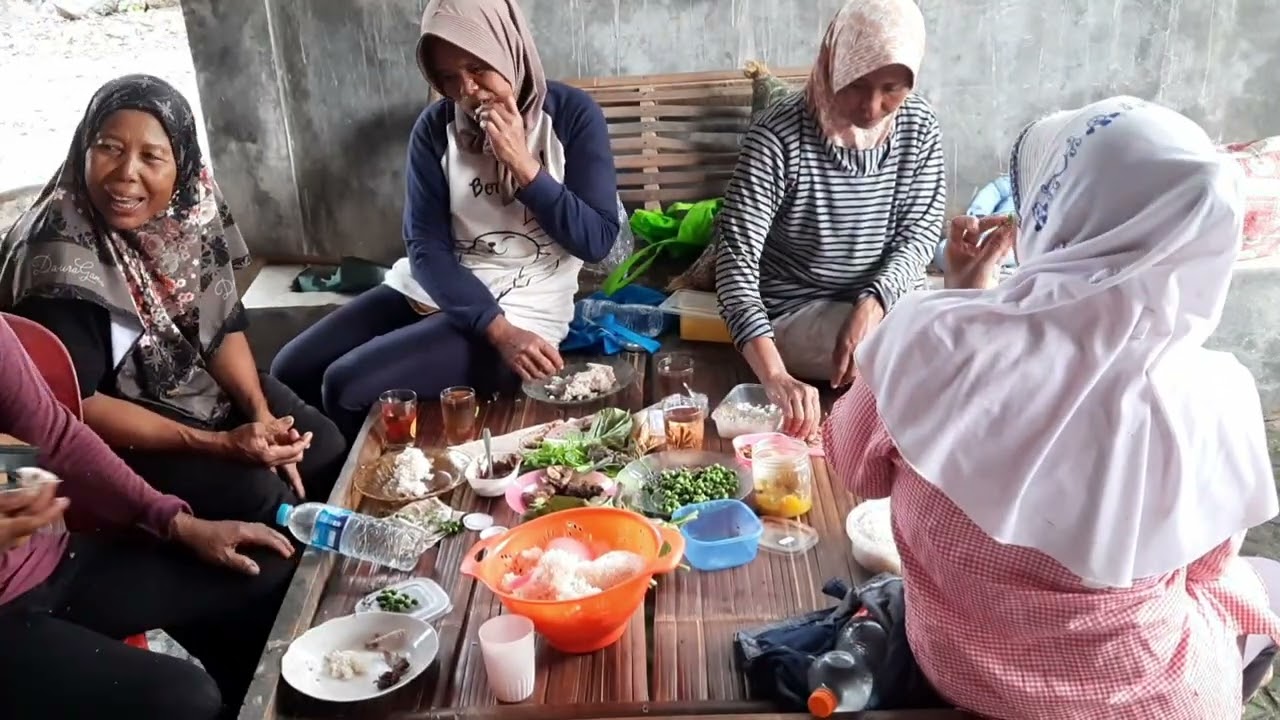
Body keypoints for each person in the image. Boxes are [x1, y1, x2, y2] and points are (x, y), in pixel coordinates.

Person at [824, 96, 1280, 718]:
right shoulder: (1215, 395)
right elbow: (1205, 567)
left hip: (966, 676)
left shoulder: (927, 338)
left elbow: (855, 465)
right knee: (1259, 586)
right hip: (1154, 699)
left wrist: (961, 296)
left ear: (1061, 210)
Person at [0, 75, 345, 526]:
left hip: (184, 381)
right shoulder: (58, 259)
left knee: (323, 447)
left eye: (152, 157)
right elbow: (74, 407)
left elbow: (219, 328)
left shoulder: (186, 215)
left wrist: (262, 415)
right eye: (108, 147)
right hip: (105, 429)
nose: (126, 173)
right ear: (83, 148)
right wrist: (220, 444)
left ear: (181, 166)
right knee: (261, 497)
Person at [270, 0, 620, 439]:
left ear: (508, 50)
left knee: (344, 385)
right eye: (449, 78)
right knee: (290, 370)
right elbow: (425, 248)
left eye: (478, 68)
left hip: (523, 308)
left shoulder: (570, 116)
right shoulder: (436, 128)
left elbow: (597, 241)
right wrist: (492, 327)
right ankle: (310, 488)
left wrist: (522, 164)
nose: (468, 90)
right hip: (443, 290)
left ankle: (346, 499)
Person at [0, 314, 296, 719]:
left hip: (46, 561)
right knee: (184, 697)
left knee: (269, 565)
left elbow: (54, 435)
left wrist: (177, 523)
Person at [715, 0, 945, 440]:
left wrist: (873, 303)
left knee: (951, 339)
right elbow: (735, 266)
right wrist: (776, 377)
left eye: (892, 88)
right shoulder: (778, 137)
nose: (873, 106)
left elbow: (919, 233)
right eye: (857, 84)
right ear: (832, 62)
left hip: (887, 299)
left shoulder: (919, 126)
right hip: (799, 309)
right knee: (905, 360)